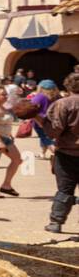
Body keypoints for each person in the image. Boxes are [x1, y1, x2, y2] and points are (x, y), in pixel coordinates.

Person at [37, 73, 79, 233]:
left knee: (64, 190)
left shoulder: (62, 104)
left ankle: (56, 223)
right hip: (68, 152)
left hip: (67, 153)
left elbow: (54, 131)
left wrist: (39, 119)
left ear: (68, 86)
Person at [30, 80, 60, 159]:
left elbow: (31, 108)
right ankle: (42, 153)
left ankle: (58, 155)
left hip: (39, 121)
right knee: (46, 137)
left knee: (46, 139)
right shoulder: (58, 96)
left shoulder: (40, 96)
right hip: (53, 121)